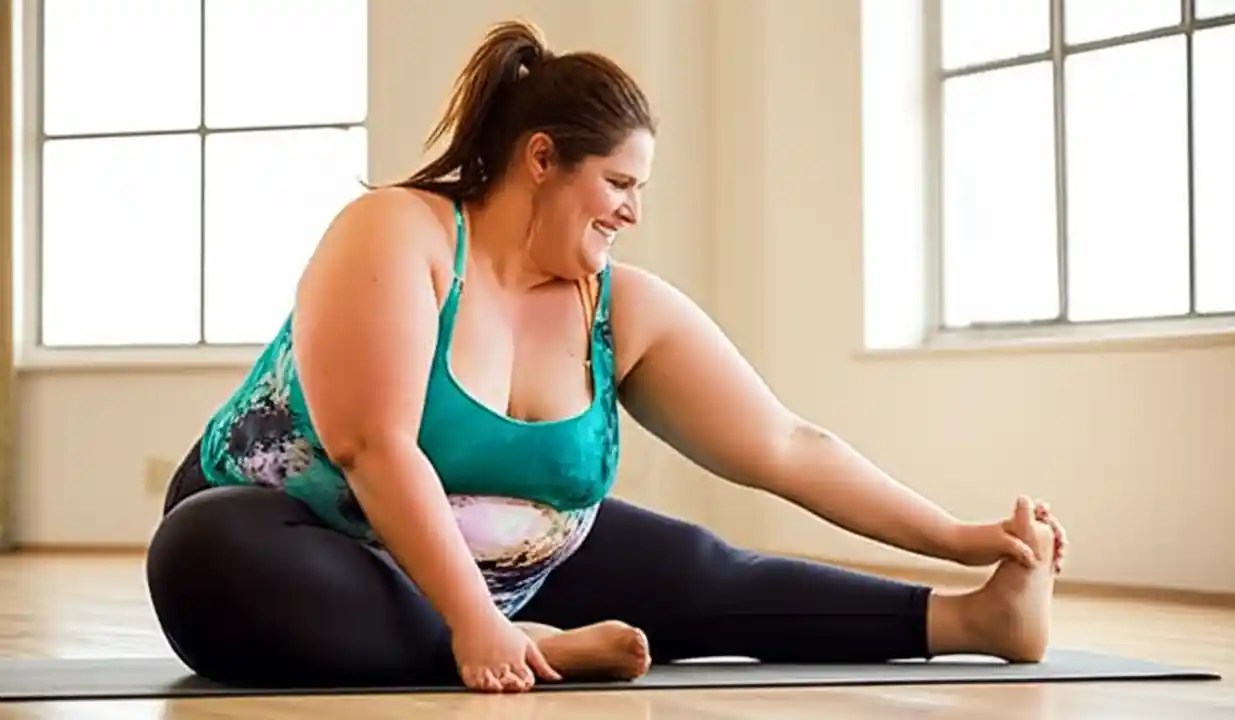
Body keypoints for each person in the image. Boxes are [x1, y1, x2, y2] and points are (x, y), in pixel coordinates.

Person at [145, 19, 1069, 694]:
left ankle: (973, 619)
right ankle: (529, 644)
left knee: (709, 573)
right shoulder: (398, 235)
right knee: (201, 552)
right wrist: (474, 629)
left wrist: (960, 537)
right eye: (620, 183)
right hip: (299, 541)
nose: (633, 211)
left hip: (511, 559)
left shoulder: (623, 308)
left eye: (642, 189)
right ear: (541, 159)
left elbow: (789, 446)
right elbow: (373, 449)